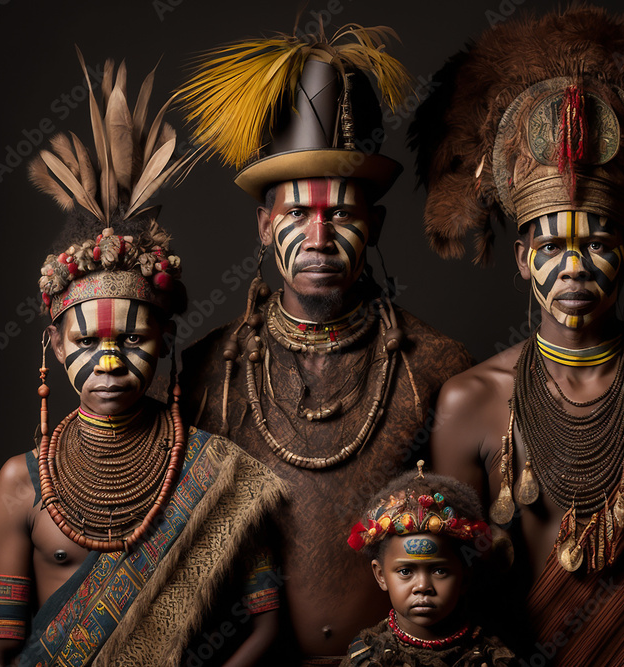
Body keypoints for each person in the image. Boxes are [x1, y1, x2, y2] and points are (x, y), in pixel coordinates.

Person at [411, 8, 624, 664]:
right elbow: (447, 587)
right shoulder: (470, 403)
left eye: (599, 243)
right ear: (523, 258)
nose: (575, 267)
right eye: (553, 246)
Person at [176, 26, 473, 664]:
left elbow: (467, 554)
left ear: (375, 224)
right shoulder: (208, 374)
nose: (318, 238)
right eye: (295, 215)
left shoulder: (435, 367)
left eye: (340, 214)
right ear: (264, 226)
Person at [0, 56, 283, 667]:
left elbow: (266, 629)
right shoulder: (20, 484)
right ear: (55, 345)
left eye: (133, 339)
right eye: (87, 342)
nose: (111, 361)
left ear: (166, 340)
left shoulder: (218, 475)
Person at [341, 461, 513, 667]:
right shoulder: (368, 657)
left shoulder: (490, 658)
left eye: (439, 571)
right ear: (381, 575)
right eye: (406, 571)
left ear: (465, 576)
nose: (423, 586)